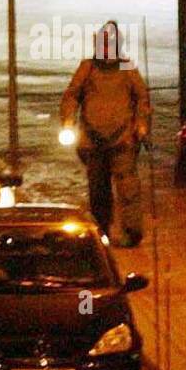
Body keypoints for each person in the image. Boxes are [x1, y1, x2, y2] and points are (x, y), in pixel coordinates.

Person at [59, 21, 152, 248]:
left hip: (122, 139)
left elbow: (142, 97)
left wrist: (141, 123)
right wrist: (68, 119)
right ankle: (101, 232)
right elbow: (72, 95)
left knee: (128, 188)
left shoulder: (126, 68)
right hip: (93, 140)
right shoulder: (88, 67)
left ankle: (132, 230)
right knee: (98, 190)